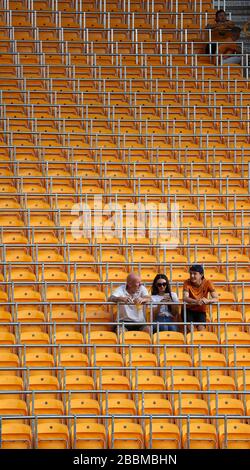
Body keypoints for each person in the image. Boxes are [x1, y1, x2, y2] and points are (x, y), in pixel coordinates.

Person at [182, 264, 218, 332]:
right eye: (191, 273)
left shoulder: (208, 283)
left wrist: (207, 301)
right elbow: (185, 298)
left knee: (201, 330)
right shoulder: (187, 282)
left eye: (195, 274)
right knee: (191, 330)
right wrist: (196, 301)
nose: (192, 276)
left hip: (200, 310)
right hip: (188, 309)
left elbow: (216, 298)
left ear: (201, 275)